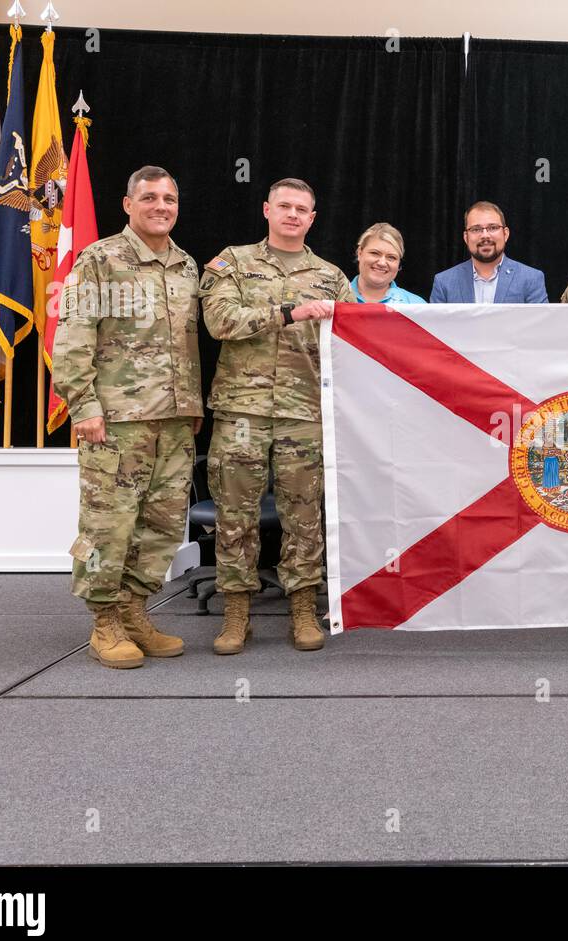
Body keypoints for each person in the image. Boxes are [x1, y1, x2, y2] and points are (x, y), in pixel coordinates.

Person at [52, 165, 202, 669]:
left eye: (170, 198)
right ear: (128, 204)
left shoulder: (186, 265)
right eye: (151, 197)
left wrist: (192, 407)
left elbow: (187, 344)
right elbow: (72, 337)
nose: (162, 206)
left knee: (161, 524)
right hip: (116, 421)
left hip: (176, 422)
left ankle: (135, 609)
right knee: (107, 524)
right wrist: (84, 407)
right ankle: (104, 620)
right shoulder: (100, 260)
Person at [199, 178, 352, 654]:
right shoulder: (233, 262)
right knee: (235, 515)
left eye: (301, 209)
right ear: (267, 210)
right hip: (241, 410)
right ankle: (237, 614)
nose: (292, 214)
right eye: (283, 206)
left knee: (304, 514)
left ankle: (303, 609)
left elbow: (349, 346)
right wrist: (291, 312)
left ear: (312, 218)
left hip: (303, 411)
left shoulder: (330, 276)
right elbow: (220, 321)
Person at [430, 200, 548, 303]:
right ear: (466, 237)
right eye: (476, 229)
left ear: (505, 234)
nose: (485, 235)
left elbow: (540, 327)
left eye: (493, 228)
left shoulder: (531, 279)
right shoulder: (444, 283)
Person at [350, 222, 425, 304]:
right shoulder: (335, 300)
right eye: (375, 253)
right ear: (359, 253)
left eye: (391, 257)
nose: (382, 263)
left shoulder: (417, 305)